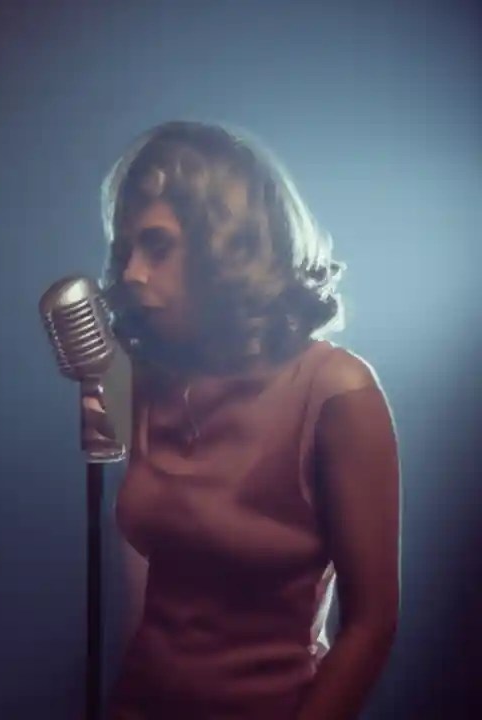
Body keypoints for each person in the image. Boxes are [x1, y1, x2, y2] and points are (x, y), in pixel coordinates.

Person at [101, 121, 401, 719]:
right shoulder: (140, 381)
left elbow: (371, 626)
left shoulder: (337, 394)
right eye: (126, 249)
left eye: (158, 247)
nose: (132, 272)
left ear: (228, 248)